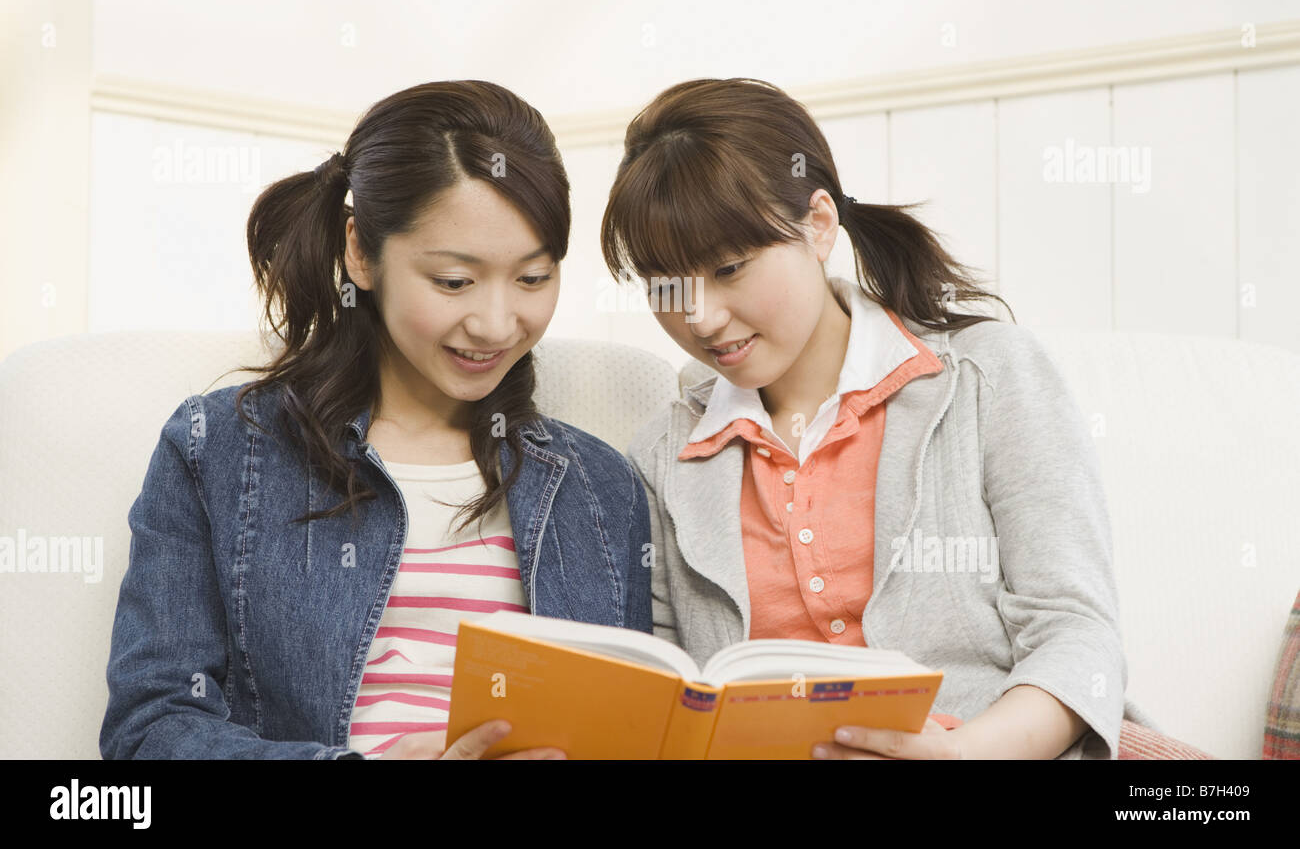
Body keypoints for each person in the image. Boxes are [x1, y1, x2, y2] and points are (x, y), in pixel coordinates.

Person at [601, 77, 1159, 759]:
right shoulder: (662, 456)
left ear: (819, 225)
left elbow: (1077, 633)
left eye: (730, 268)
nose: (702, 318)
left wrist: (967, 755)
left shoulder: (987, 378)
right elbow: (666, 691)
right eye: (667, 287)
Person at [100, 80, 652, 760]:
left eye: (534, 279)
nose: (496, 323)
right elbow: (150, 730)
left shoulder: (601, 487)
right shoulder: (218, 450)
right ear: (360, 252)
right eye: (454, 281)